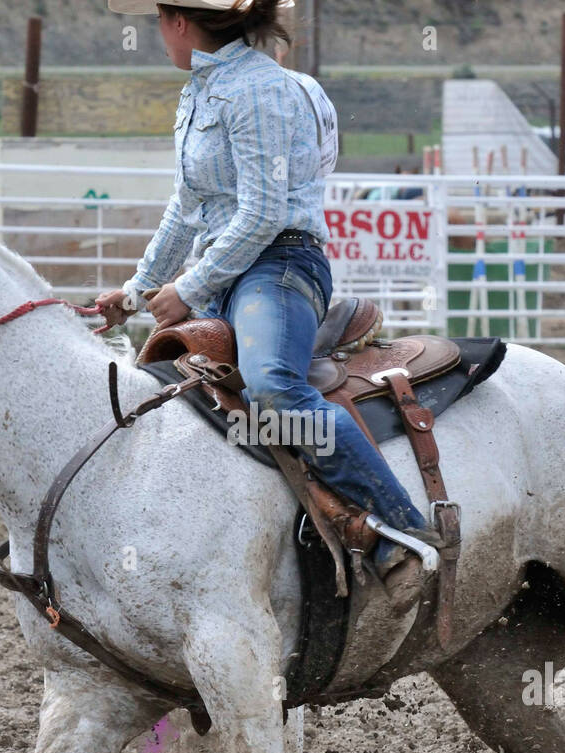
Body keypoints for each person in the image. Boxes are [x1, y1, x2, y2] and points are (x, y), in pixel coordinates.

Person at [97, 0, 441, 606]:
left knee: (274, 387)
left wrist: (190, 287)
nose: (156, 31)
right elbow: (187, 208)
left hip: (278, 268)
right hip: (231, 270)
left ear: (179, 22)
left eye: (158, 19)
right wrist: (134, 292)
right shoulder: (203, 91)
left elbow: (263, 212)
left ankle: (403, 531)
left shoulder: (257, 90)